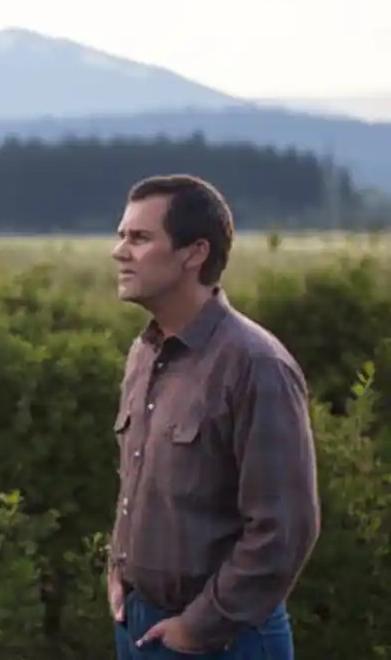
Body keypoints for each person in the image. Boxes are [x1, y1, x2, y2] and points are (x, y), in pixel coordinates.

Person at [106, 174, 321, 658]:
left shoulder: (255, 365)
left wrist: (199, 628)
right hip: (140, 625)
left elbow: (283, 529)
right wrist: (118, 574)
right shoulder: (145, 353)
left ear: (194, 253)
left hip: (225, 639)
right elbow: (137, 482)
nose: (119, 251)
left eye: (139, 238)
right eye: (122, 235)